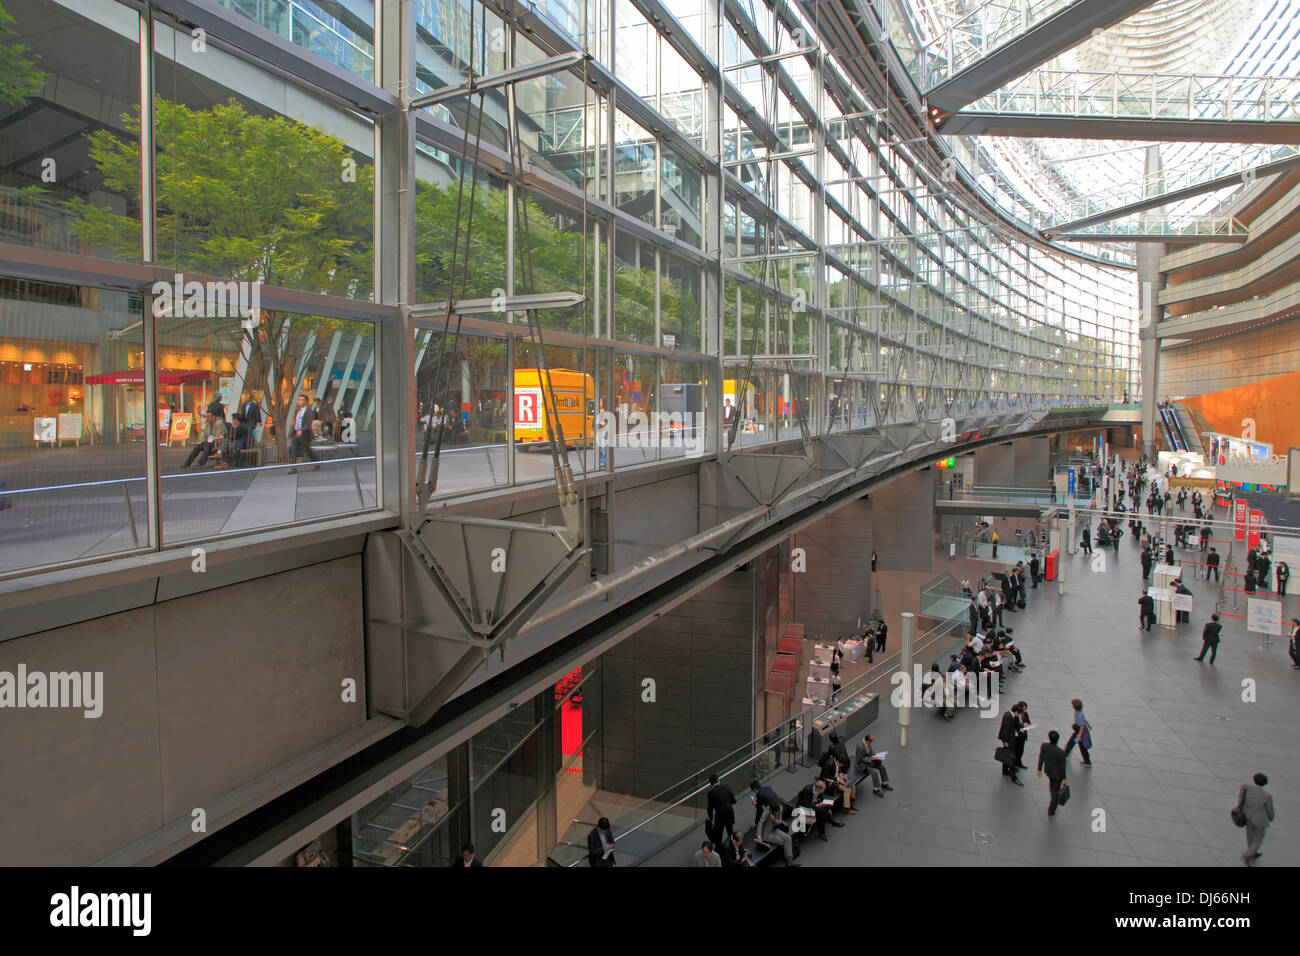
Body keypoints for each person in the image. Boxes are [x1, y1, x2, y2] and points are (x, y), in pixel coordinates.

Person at [1236, 773, 1275, 866]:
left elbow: (1240, 800)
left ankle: (1252, 852)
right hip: (1259, 819)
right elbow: (1270, 811)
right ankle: (1248, 854)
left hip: (1247, 816)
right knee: (1259, 838)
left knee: (1250, 835)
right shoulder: (1266, 796)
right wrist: (1270, 817)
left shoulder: (1245, 788)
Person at [1037, 730, 1068, 817]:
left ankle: (1053, 799)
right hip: (1058, 775)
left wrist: (1039, 769)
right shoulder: (1061, 752)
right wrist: (1064, 778)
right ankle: (1052, 809)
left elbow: (1041, 757)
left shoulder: (1044, 746)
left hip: (1049, 771)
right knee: (1055, 791)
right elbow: (1062, 767)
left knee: (1052, 786)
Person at [287, 393, 319, 474]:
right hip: (296, 434)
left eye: (301, 400)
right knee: (292, 448)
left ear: (306, 402)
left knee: (307, 450)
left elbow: (309, 422)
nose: (299, 402)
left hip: (305, 434)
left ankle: (317, 462)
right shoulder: (298, 411)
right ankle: (293, 468)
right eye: (298, 400)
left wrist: (302, 430)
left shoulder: (310, 411)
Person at [704, 773, 737, 849]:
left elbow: (710, 808)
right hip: (729, 813)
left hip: (719, 817)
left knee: (718, 836)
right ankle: (732, 848)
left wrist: (711, 819)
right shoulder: (727, 787)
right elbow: (734, 801)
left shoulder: (710, 793)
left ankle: (720, 851)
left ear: (710, 784)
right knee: (730, 832)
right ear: (718, 780)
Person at [997, 703, 1024, 785]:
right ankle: (1013, 776)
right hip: (1008, 740)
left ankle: (1005, 770)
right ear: (1015, 712)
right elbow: (1005, 729)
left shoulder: (1008, 714)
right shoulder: (1009, 717)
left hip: (1008, 739)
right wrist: (1006, 742)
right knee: (1011, 756)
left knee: (1006, 755)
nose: (1018, 715)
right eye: (1018, 713)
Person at [1064, 698, 1093, 766]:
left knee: (1077, 743)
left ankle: (1087, 761)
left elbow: (1082, 725)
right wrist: (1089, 725)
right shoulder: (1079, 712)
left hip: (1080, 731)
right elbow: (1084, 720)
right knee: (1073, 742)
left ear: (1074, 706)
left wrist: (1079, 734)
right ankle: (1066, 753)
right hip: (1078, 730)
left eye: (1072, 704)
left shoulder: (1079, 714)